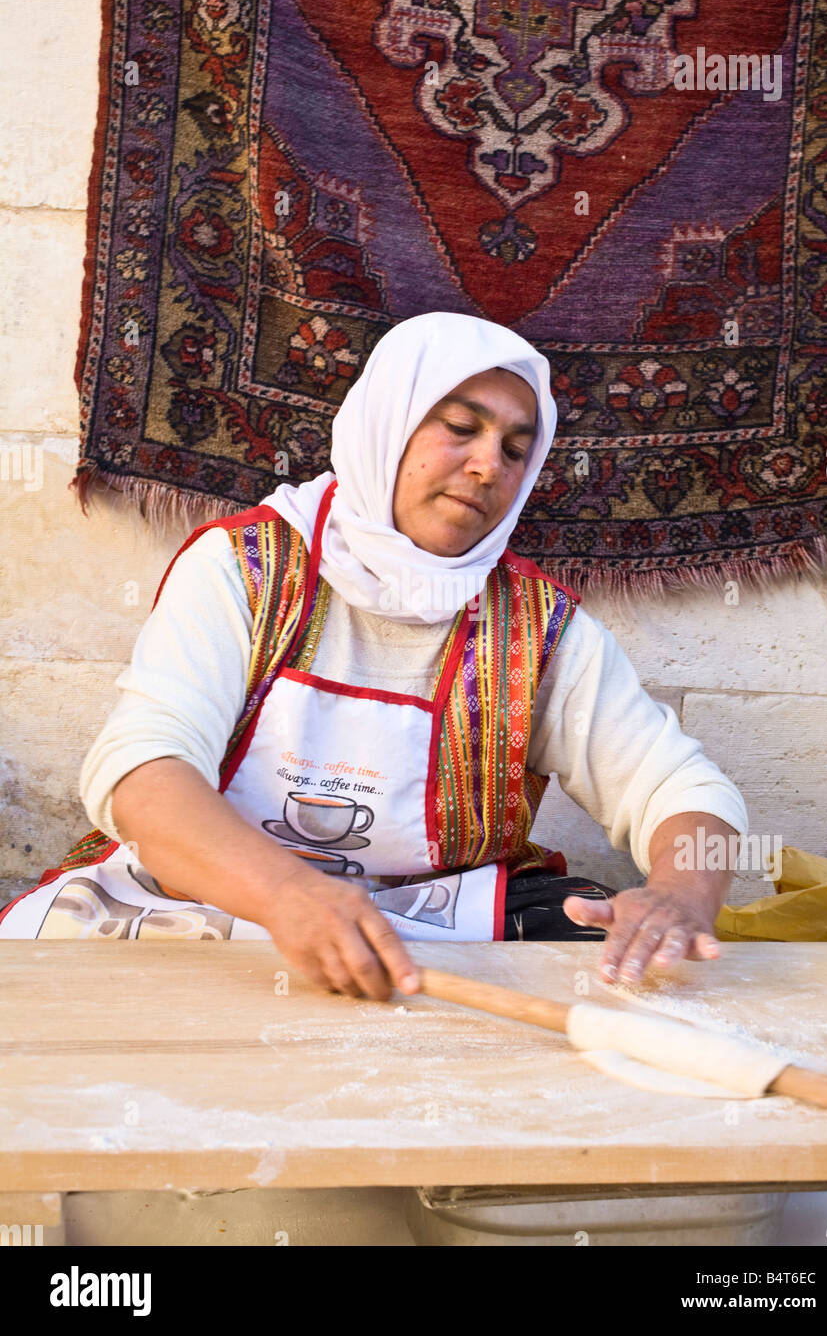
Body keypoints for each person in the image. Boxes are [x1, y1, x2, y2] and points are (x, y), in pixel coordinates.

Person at [0, 313, 747, 1000]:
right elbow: (143, 774)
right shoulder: (243, 568)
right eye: (460, 427)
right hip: (212, 898)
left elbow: (680, 788)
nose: (490, 466)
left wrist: (682, 893)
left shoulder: (537, 625)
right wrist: (286, 895)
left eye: (517, 449)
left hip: (430, 919)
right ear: (386, 427)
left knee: (601, 946)